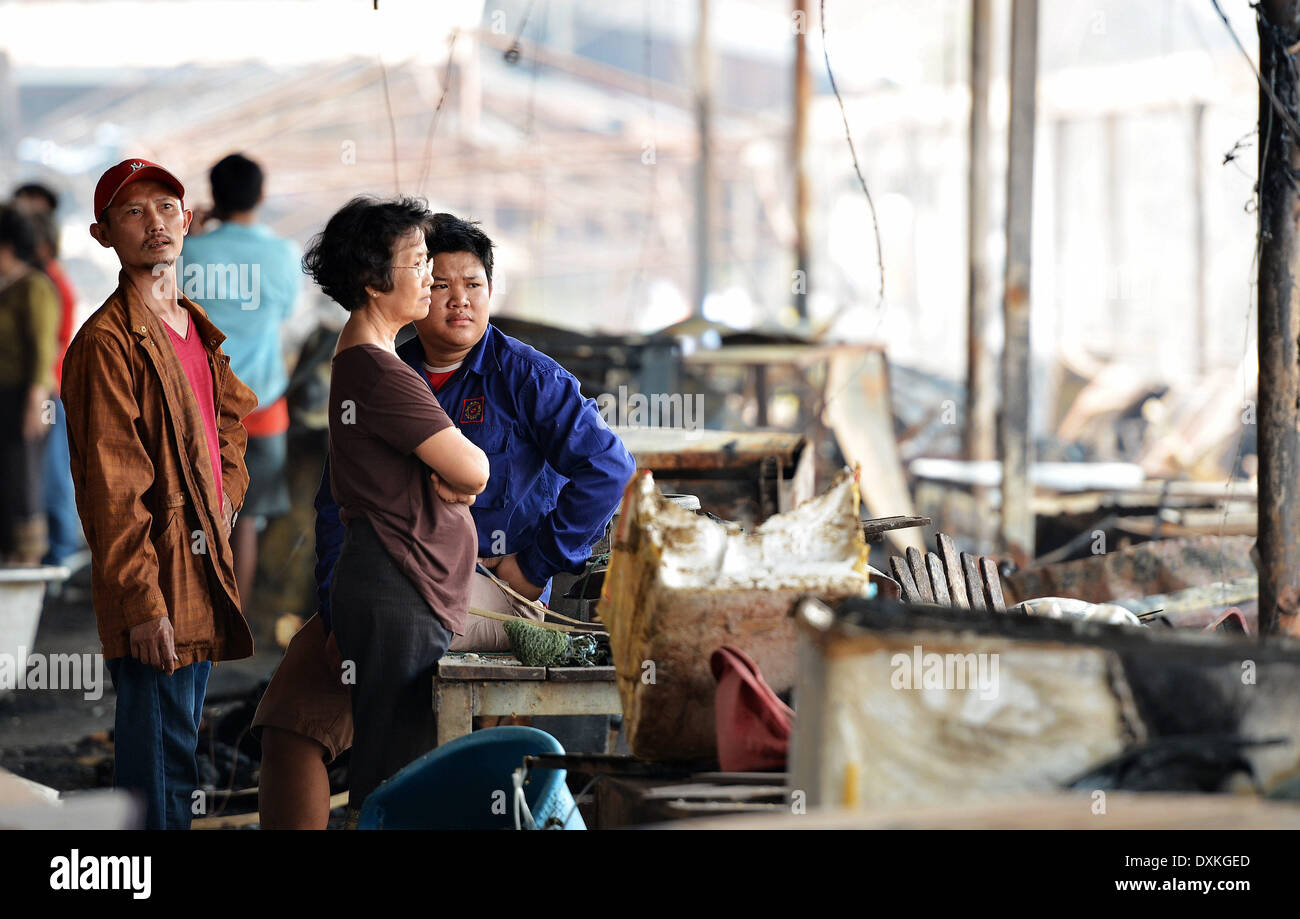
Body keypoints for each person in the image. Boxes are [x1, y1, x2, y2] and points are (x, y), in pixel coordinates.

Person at [253, 213, 635, 828]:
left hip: (489, 591)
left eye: (475, 283)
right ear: (407, 286)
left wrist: (534, 566)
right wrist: (333, 604)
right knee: (290, 714)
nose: (459, 298)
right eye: (439, 281)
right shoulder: (385, 368)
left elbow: (609, 467)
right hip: (393, 578)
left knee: (407, 726)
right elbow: (336, 504)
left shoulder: (524, 375)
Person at [62, 158, 257, 829]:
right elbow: (114, 492)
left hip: (202, 560)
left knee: (177, 744)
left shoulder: (195, 326)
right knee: (156, 759)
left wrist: (225, 498)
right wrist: (142, 605)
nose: (155, 223)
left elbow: (229, 423)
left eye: (166, 207)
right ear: (102, 234)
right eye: (132, 212)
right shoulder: (106, 344)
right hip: (156, 579)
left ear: (189, 220)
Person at [298, 196, 489, 816]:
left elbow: (455, 475)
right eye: (417, 260)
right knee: (398, 770)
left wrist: (456, 483)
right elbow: (474, 467)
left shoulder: (372, 362)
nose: (431, 275)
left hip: (398, 582)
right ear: (374, 281)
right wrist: (461, 480)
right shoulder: (380, 372)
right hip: (396, 586)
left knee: (398, 759)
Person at [180, 154, 301, 609]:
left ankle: (191, 615)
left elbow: (166, 300)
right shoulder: (282, 255)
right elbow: (287, 315)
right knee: (245, 518)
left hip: (197, 404)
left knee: (191, 511)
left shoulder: (189, 251)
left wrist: (191, 235)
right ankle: (235, 619)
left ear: (214, 196)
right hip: (264, 406)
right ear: (261, 195)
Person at [11, 185, 86, 567]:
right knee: (46, 467)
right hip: (46, 392)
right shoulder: (45, 280)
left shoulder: (46, 284)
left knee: (50, 470)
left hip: (47, 396)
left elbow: (49, 348)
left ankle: (58, 553)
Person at [0, 205, 60, 565]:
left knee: (26, 482)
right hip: (7, 399)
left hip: (30, 398)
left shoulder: (35, 287)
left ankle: (29, 561)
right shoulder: (7, 288)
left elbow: (43, 350)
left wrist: (36, 402)